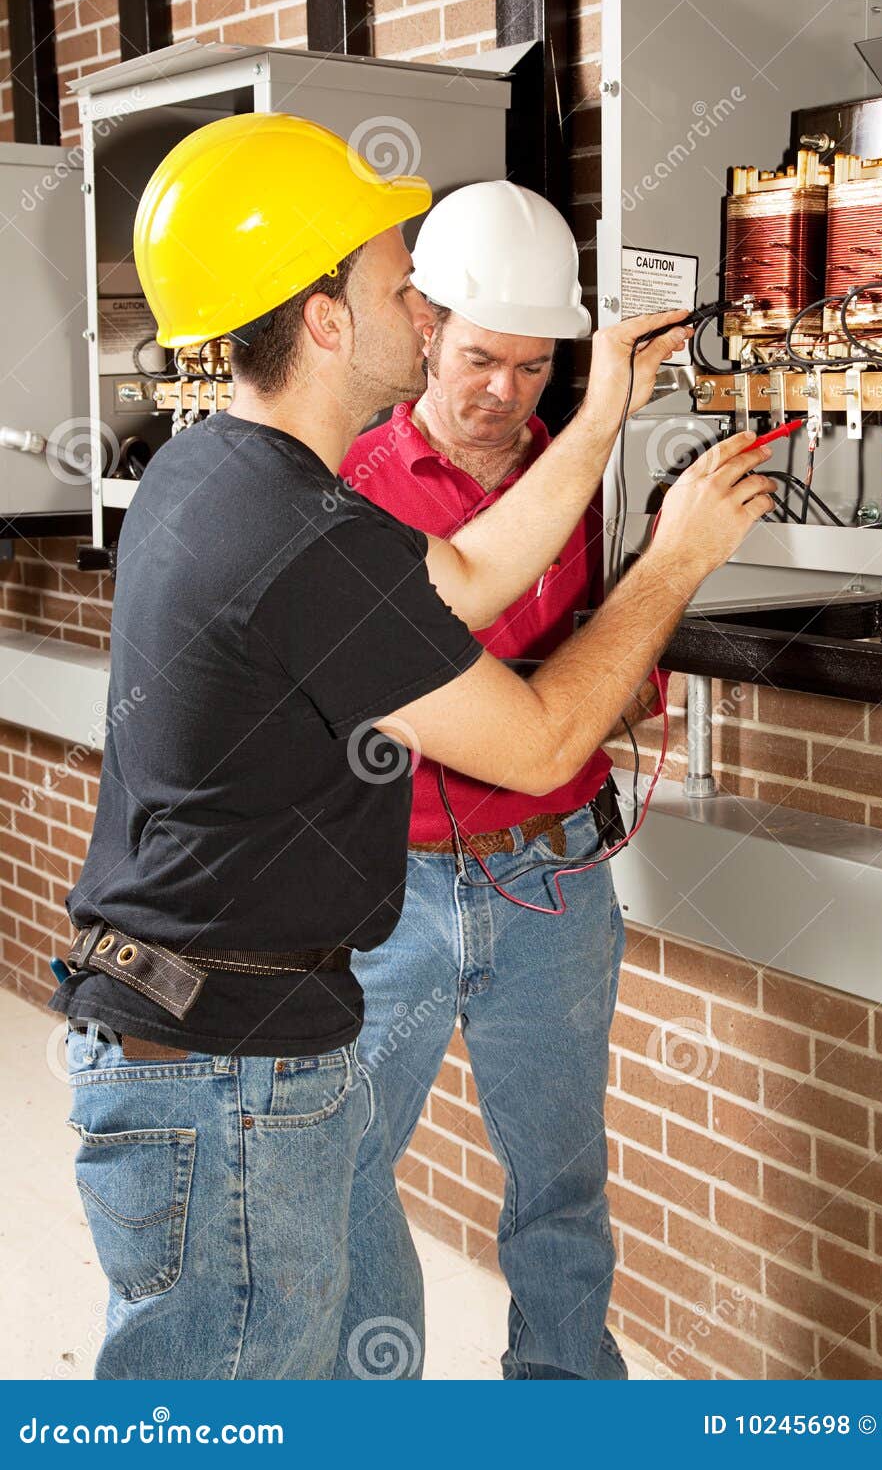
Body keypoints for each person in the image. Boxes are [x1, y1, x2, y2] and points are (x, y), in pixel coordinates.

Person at [49, 114, 776, 1381]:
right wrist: (673, 561)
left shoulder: (209, 476)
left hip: (226, 1039)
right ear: (326, 318)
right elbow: (542, 735)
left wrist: (601, 415)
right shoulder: (308, 538)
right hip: (224, 1073)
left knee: (323, 1390)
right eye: (400, 283)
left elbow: (463, 575)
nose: (424, 312)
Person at [341, 180, 658, 1380]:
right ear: (423, 324)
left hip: (555, 879)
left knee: (560, 1180)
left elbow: (618, 674)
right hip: (391, 888)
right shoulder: (356, 491)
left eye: (534, 369)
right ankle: (374, 1415)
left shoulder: (592, 486)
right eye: (481, 358)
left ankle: (565, 1412)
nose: (503, 391)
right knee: (352, 1167)